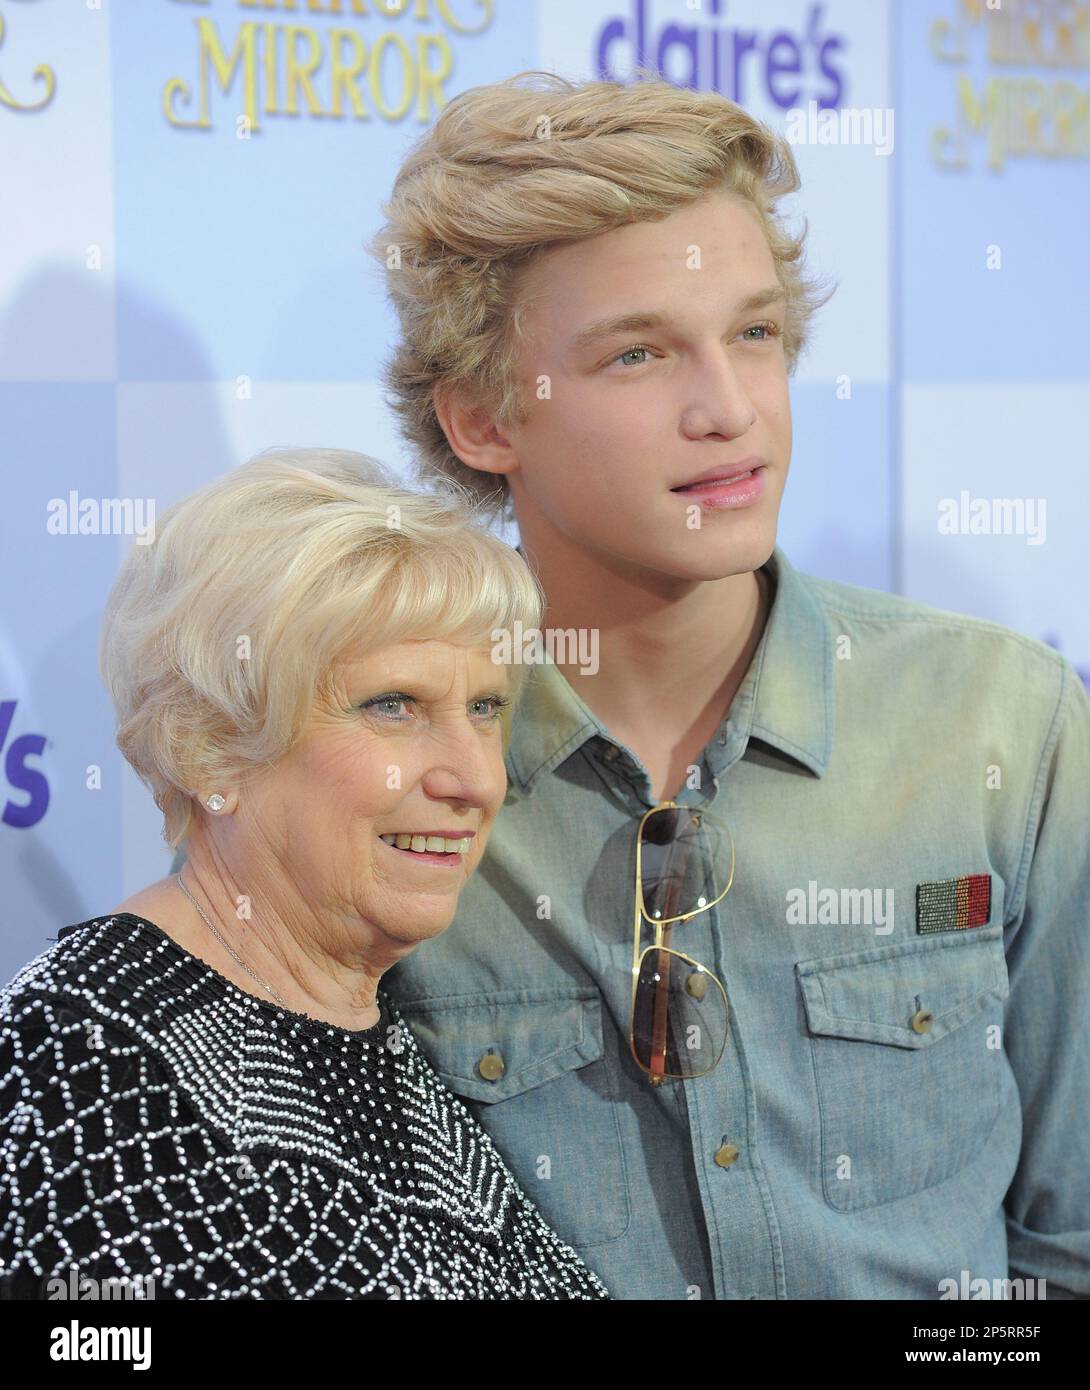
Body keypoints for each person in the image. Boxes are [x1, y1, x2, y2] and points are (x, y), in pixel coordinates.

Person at [365, 71, 1090, 1300]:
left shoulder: (1002, 724)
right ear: (485, 419)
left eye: (754, 333)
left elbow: (1071, 1243)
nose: (731, 410)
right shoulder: (392, 790)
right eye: (639, 353)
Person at [0, 450, 611, 1301]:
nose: (474, 779)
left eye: (485, 708)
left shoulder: (370, 1028)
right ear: (208, 745)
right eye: (392, 706)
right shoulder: (82, 1055)